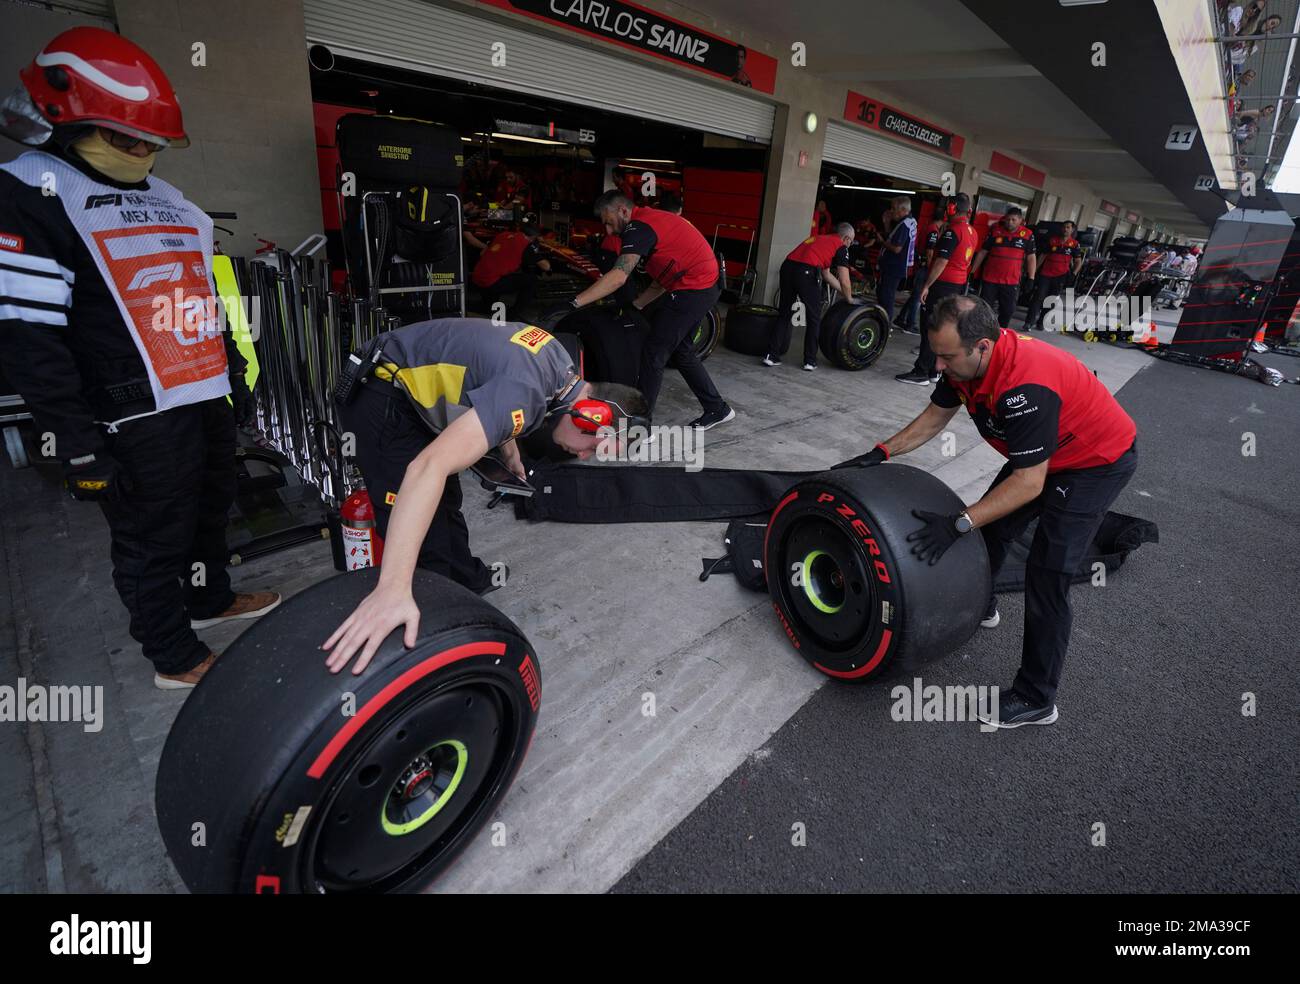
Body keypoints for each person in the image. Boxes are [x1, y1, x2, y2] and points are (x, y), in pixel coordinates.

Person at [0, 27, 279, 689]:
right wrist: (73, 441)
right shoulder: (32, 193)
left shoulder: (174, 201)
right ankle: (172, 655)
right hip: (131, 410)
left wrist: (235, 375)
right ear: (65, 121)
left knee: (212, 507)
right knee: (154, 533)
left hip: (201, 390)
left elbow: (207, 295)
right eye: (127, 138)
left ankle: (208, 600)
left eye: (151, 141)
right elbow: (27, 337)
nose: (142, 150)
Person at [836, 295, 1137, 727]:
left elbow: (1031, 483)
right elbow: (933, 419)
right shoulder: (965, 365)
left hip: (1095, 463)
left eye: (946, 357)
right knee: (990, 534)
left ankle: (1037, 697)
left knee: (1047, 572)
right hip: (1043, 457)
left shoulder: (1023, 386)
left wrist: (960, 522)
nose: (938, 366)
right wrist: (880, 452)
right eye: (935, 354)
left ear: (982, 346)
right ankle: (983, 604)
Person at [324, 318, 649, 671]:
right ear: (590, 414)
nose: (584, 455)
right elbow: (424, 469)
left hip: (408, 388)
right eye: (593, 446)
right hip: (381, 392)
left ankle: (464, 579)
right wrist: (391, 587)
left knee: (445, 497)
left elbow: (494, 382)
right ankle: (420, 615)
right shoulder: (524, 393)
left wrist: (509, 449)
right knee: (422, 493)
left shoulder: (560, 365)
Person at [547, 191, 733, 430]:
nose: (608, 231)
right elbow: (660, 281)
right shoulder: (649, 225)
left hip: (696, 288)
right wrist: (636, 306)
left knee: (654, 353)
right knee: (682, 352)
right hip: (701, 285)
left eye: (609, 222)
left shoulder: (640, 227)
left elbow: (617, 277)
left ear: (623, 211)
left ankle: (640, 426)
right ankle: (717, 408)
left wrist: (572, 303)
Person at [896, 192, 979, 385]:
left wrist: (926, 286)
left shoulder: (953, 231)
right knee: (945, 327)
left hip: (942, 285)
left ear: (952, 208)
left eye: (947, 206)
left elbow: (941, 261)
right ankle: (935, 371)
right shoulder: (972, 232)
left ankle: (922, 371)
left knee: (930, 327)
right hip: (957, 284)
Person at [764, 223, 857, 370]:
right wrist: (850, 299)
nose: (850, 245)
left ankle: (771, 355)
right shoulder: (841, 247)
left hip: (787, 268)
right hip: (806, 272)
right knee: (814, 318)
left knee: (784, 314)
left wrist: (845, 294)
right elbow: (845, 280)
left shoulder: (819, 239)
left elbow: (827, 275)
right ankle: (810, 361)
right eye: (851, 241)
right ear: (846, 238)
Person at [971, 206, 1037, 329]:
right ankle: (983, 332)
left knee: (1007, 311)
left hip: (1011, 282)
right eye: (1008, 219)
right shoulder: (995, 231)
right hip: (990, 279)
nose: (1010, 222)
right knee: (984, 310)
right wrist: (973, 272)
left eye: (1013, 220)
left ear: (1020, 220)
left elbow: (1031, 257)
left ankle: (1001, 334)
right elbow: (983, 252)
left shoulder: (1027, 235)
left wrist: (1031, 278)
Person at [471, 223, 551, 320]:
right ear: (534, 236)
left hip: (477, 277)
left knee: (503, 274)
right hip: (491, 282)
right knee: (531, 280)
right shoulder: (525, 245)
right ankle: (513, 315)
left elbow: (483, 252)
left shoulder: (502, 235)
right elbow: (546, 267)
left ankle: (486, 306)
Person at [1024, 220, 1083, 331]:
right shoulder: (1052, 240)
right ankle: (1029, 322)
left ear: (1072, 230)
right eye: (1064, 227)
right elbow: (1042, 256)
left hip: (1060, 277)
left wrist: (1074, 274)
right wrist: (1034, 272)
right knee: (1038, 298)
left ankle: (1041, 321)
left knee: (1050, 300)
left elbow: (1078, 261)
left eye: (1068, 227)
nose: (1065, 229)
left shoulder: (1075, 245)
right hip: (1045, 274)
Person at [875, 196, 918, 323]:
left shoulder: (904, 224)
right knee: (882, 293)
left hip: (894, 267)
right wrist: (887, 224)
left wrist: (882, 242)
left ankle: (885, 325)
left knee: (886, 297)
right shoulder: (909, 221)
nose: (891, 211)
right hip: (895, 266)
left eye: (894, 209)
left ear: (903, 209)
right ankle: (882, 322)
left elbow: (897, 248)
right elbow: (893, 239)